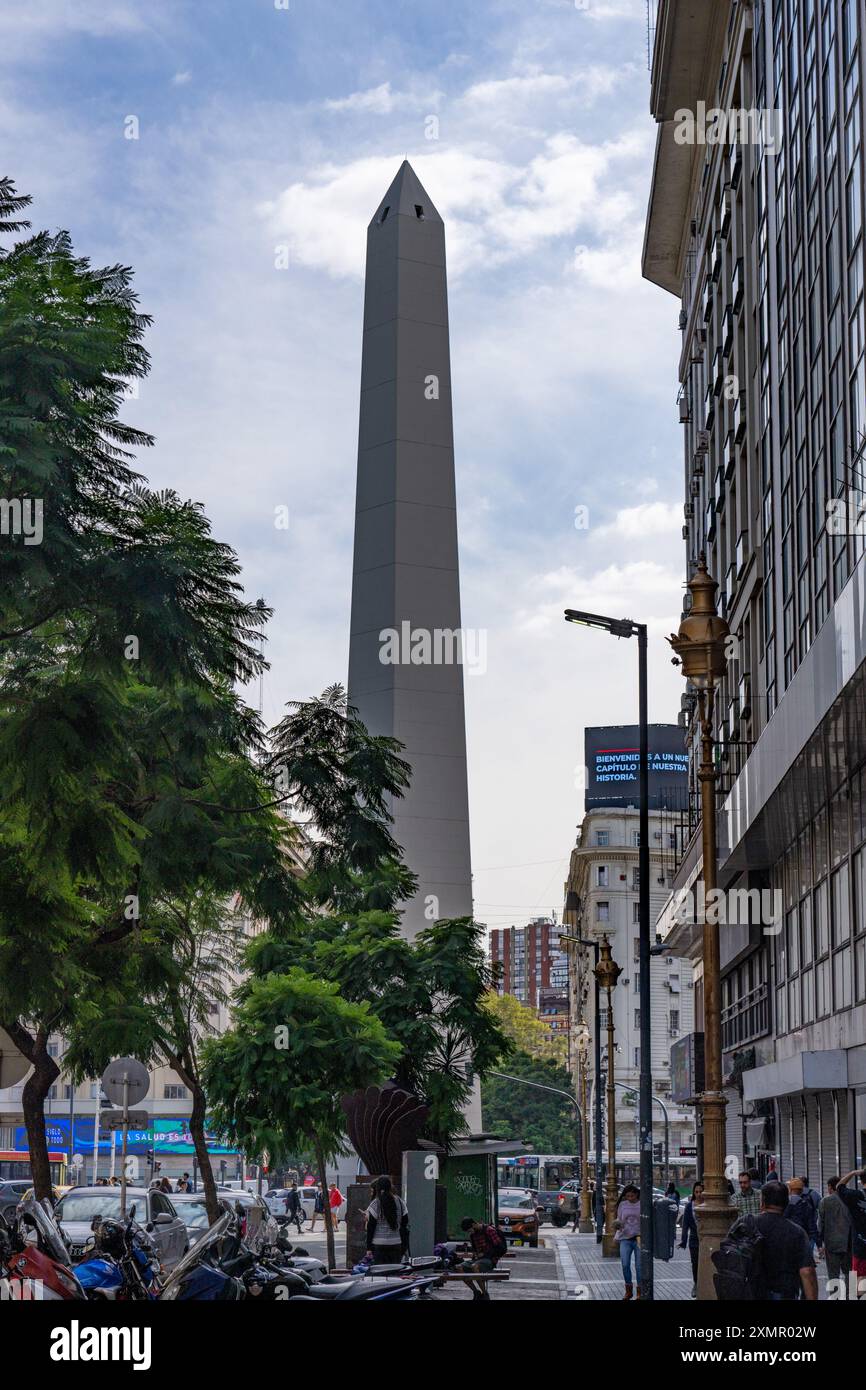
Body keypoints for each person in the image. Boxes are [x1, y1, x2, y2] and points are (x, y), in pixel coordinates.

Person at [754, 1180, 817, 1301]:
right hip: (784, 1293)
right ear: (786, 1202)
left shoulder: (747, 1223)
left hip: (752, 1291)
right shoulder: (797, 1232)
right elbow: (807, 1272)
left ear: (762, 1201)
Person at [459, 1216, 506, 1301]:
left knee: (475, 1266)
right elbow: (475, 1250)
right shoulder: (473, 1235)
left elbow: (500, 1248)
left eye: (470, 1230)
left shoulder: (489, 1230)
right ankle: (476, 1292)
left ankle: (484, 1294)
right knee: (459, 1267)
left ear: (474, 1224)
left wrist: (485, 1254)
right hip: (478, 1260)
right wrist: (476, 1254)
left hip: (490, 1260)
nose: (470, 1232)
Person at [834, 1169, 866, 1294]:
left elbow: (839, 1186)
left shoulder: (854, 1196)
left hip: (860, 1245)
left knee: (858, 1280)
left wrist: (852, 1173)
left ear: (861, 1180)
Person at [364, 1176, 409, 1264]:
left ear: (378, 1188)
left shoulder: (375, 1203)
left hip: (378, 1245)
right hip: (396, 1243)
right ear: (390, 1187)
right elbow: (405, 1222)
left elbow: (371, 1227)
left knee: (381, 1274)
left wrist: (369, 1247)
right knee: (394, 1273)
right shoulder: (400, 1202)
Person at [817, 1176, 853, 1281]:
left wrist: (821, 1243)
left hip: (831, 1243)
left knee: (833, 1276)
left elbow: (820, 1224)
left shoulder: (825, 1201)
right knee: (851, 1273)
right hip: (849, 1243)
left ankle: (835, 1297)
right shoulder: (850, 1200)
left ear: (830, 1186)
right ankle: (851, 1296)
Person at [614, 1183, 641, 1300]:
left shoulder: (642, 1204)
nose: (630, 1198)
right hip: (625, 1238)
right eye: (627, 1196)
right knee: (625, 1265)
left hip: (639, 1238)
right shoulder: (622, 1205)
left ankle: (640, 1291)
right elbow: (619, 1220)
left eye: (632, 1196)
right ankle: (628, 1291)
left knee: (639, 1266)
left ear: (636, 1195)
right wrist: (616, 1231)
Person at [679, 1181, 703, 1298]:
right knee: (695, 1264)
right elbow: (685, 1225)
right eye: (696, 1192)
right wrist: (683, 1241)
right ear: (694, 1192)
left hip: (705, 1239)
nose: (699, 1194)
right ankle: (696, 1284)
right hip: (694, 1239)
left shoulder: (708, 1204)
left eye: (700, 1191)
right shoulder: (690, 1206)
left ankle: (705, 1284)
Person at [786, 1178, 818, 1247]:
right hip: (804, 1238)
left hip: (787, 1238)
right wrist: (819, 1244)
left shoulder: (784, 1203)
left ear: (790, 1189)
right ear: (801, 1190)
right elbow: (812, 1226)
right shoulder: (806, 1205)